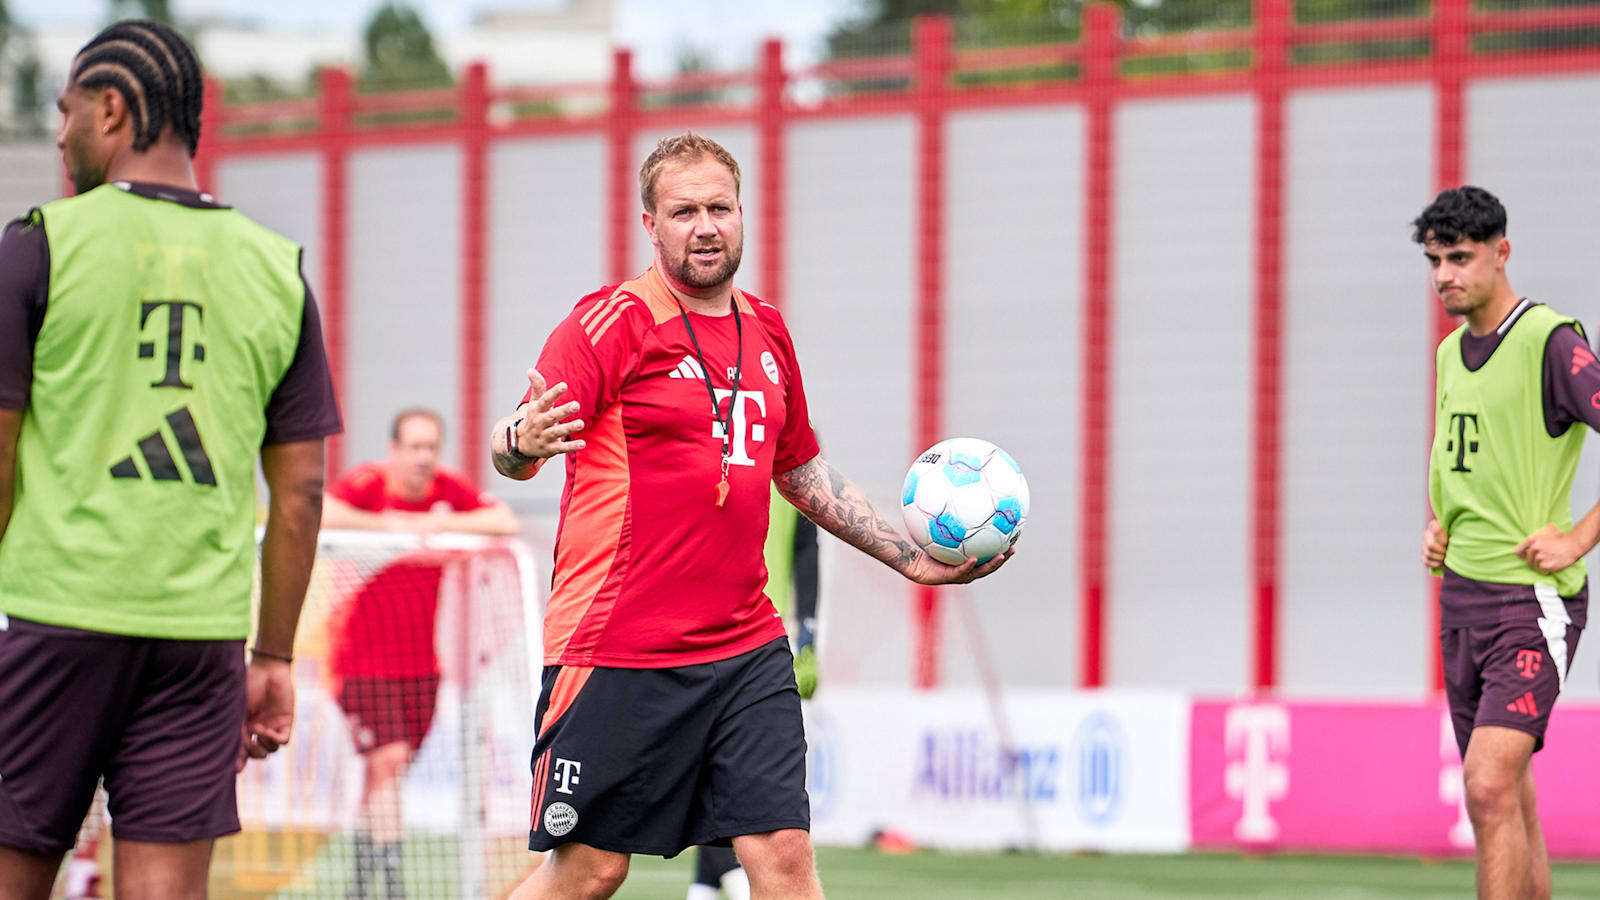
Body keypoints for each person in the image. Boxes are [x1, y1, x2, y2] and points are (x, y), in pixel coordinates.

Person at [489, 132, 1010, 900]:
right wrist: (516, 441)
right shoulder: (609, 325)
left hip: (744, 645)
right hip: (616, 646)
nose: (705, 225)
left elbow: (797, 467)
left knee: (783, 854)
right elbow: (520, 449)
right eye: (684, 211)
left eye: (719, 208)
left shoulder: (767, 331)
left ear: (742, 214)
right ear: (651, 224)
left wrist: (908, 557)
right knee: (592, 871)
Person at [0, 19, 339, 900]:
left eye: (66, 110)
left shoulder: (39, 243)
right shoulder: (276, 269)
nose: (61, 130)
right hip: (199, 641)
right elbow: (301, 492)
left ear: (111, 110)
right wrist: (273, 655)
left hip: (52, 619)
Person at [1418, 186, 1600, 900]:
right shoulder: (1448, 355)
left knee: (1487, 785)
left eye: (1460, 258)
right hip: (1460, 598)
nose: (1444, 276)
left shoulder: (1550, 340)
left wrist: (1579, 540)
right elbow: (1465, 463)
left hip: (1529, 603)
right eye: (1435, 260)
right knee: (1509, 796)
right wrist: (1441, 525)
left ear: (1501, 252)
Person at [321, 407, 517, 899]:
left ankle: (360, 885)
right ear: (394, 451)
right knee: (386, 762)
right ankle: (392, 888)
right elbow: (320, 510)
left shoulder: (447, 491)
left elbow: (503, 519)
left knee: (387, 777)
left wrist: (442, 529)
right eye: (414, 446)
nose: (424, 457)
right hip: (360, 666)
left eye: (432, 446)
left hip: (420, 668)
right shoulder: (367, 484)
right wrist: (387, 529)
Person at [688, 488, 822, 900]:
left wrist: (808, 630)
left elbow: (805, 539)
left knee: (730, 782)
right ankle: (730, 882)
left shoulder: (798, 426)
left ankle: (718, 884)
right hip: (694, 631)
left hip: (765, 641)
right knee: (597, 864)